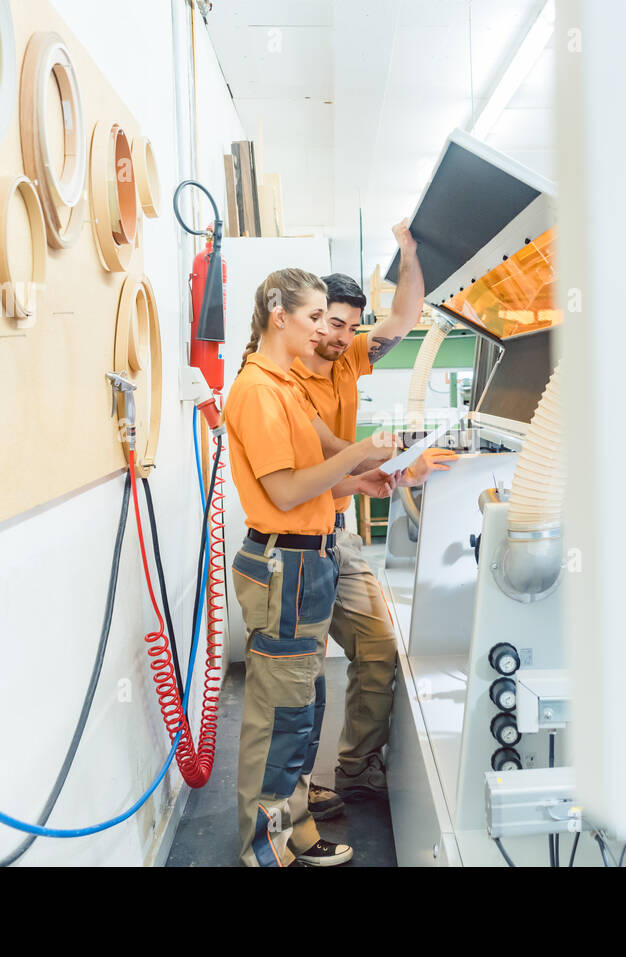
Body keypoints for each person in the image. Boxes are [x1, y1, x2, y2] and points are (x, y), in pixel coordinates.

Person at [224, 268, 401, 868]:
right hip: (285, 564)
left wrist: (361, 477)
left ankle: (293, 827)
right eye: (317, 316)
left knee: (297, 711)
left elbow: (317, 460)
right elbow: (285, 492)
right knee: (278, 715)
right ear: (282, 316)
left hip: (310, 558)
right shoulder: (258, 390)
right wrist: (359, 452)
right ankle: (263, 848)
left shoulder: (288, 385)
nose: (329, 329)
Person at [290, 220, 458, 818]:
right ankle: (291, 797)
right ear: (309, 318)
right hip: (294, 549)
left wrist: (410, 253)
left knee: (380, 646)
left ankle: (357, 766)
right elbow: (302, 475)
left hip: (338, 537)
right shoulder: (284, 383)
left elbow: (404, 320)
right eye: (333, 323)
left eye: (352, 325)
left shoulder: (345, 361)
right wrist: (373, 459)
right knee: (300, 681)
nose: (343, 336)